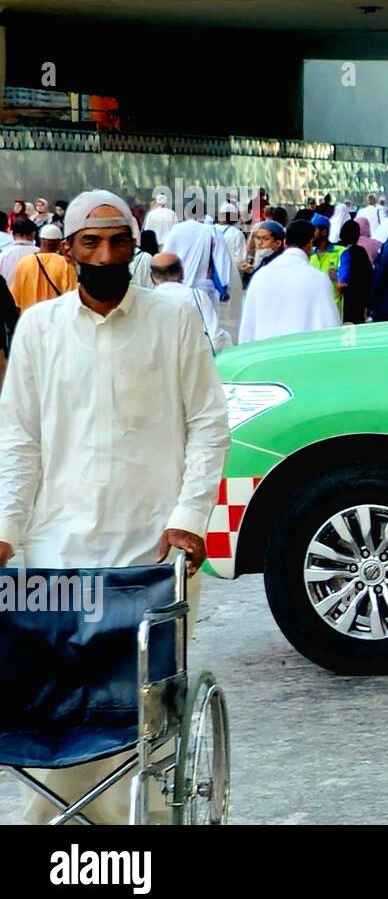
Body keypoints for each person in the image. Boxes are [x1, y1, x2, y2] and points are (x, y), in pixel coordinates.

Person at [0, 189, 229, 825]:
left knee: (142, 716)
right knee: (57, 713)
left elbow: (209, 426)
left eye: (118, 240)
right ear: (68, 251)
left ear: (136, 246)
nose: (106, 253)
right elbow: (19, 439)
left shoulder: (174, 321)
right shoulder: (40, 330)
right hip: (57, 553)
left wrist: (188, 520)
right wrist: (5, 531)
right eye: (90, 242)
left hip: (149, 554)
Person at [240, 220, 341, 343]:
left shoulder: (260, 276)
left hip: (265, 357)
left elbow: (247, 329)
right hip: (301, 356)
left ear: (284, 243)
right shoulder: (318, 279)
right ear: (310, 244)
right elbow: (329, 328)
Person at [149, 252, 231, 353]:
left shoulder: (146, 302)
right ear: (182, 273)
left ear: (152, 278)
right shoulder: (198, 297)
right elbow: (215, 339)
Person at [162, 215, 231, 319]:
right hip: (203, 288)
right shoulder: (211, 231)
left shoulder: (177, 229)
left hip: (177, 286)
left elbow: (165, 256)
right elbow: (222, 260)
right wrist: (224, 286)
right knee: (206, 325)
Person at [10, 224, 77, 311]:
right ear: (59, 242)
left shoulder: (24, 262)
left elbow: (17, 299)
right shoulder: (66, 263)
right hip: (56, 319)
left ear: (40, 240)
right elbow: (73, 296)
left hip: (29, 319)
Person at [217, 203, 249, 344]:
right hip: (232, 275)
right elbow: (241, 259)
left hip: (215, 276)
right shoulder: (237, 234)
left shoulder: (211, 230)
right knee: (232, 313)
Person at [336, 219, 375, 325]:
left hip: (337, 299)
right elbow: (369, 277)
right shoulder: (359, 252)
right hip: (356, 301)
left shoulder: (335, 249)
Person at [242, 220, 285, 284]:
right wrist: (251, 272)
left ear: (278, 243)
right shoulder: (266, 259)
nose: (259, 243)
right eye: (258, 238)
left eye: (266, 239)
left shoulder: (280, 263)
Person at [0, 217, 38, 287]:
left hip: (8, 296)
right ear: (33, 234)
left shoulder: (3, 256)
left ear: (12, 234)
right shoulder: (41, 253)